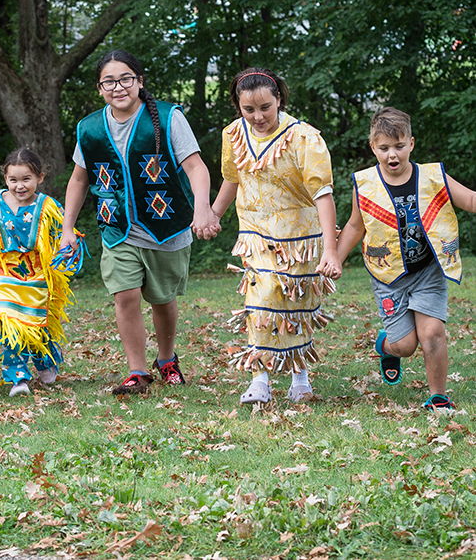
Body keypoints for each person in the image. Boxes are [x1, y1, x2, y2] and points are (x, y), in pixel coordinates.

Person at [61, 50, 220, 396]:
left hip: (166, 226)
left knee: (162, 299)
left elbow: (195, 166)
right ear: (100, 88)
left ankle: (166, 359)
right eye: (109, 81)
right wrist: (67, 227)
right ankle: (137, 371)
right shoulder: (89, 129)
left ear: (139, 82)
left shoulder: (167, 118)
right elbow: (78, 179)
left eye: (126, 79)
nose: (118, 87)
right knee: (126, 296)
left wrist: (203, 208)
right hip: (117, 230)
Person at [326, 107, 475, 413]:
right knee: (406, 346)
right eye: (384, 148)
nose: (392, 154)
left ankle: (438, 398)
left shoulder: (433, 177)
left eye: (399, 146)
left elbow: (470, 199)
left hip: (427, 271)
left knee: (432, 333)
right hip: (388, 276)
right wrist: (335, 259)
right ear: (373, 148)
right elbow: (356, 225)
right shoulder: (365, 184)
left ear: (411, 144)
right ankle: (386, 346)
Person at [209, 68, 340, 405]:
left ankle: (300, 377)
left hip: (301, 237)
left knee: (295, 306)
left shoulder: (304, 137)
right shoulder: (234, 134)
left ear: (279, 98)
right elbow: (231, 178)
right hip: (256, 232)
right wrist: (213, 214)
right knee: (261, 301)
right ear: (238, 106)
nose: (258, 117)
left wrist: (331, 248)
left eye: (265, 107)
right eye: (248, 110)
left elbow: (323, 194)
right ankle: (260, 379)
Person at [0, 148, 80, 397]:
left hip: (36, 274)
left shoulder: (48, 206)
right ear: (5, 179)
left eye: (26, 179)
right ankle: (18, 378)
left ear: (40, 178)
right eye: (13, 180)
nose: (19, 186)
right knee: (9, 323)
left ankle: (45, 361)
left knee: (34, 325)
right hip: (3, 274)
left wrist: (67, 250)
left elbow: (64, 237)